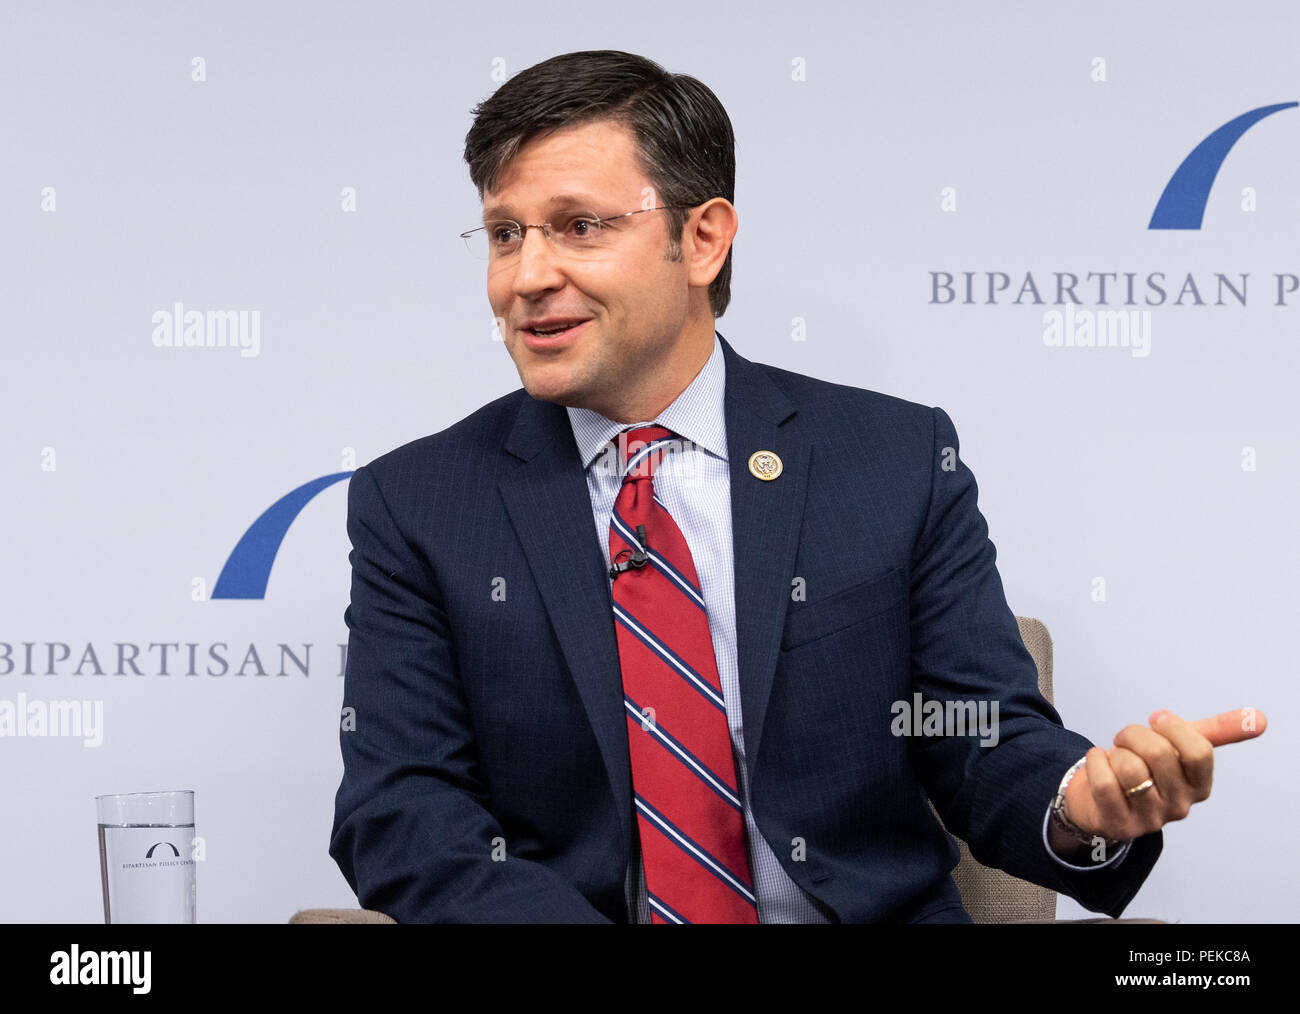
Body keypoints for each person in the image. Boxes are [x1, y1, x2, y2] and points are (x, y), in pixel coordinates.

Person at [328, 50, 1266, 923]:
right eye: (503, 235)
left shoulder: (890, 458)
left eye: (579, 227)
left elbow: (975, 736)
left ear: (703, 239)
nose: (527, 277)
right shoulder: (420, 503)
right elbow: (401, 810)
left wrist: (1080, 807)